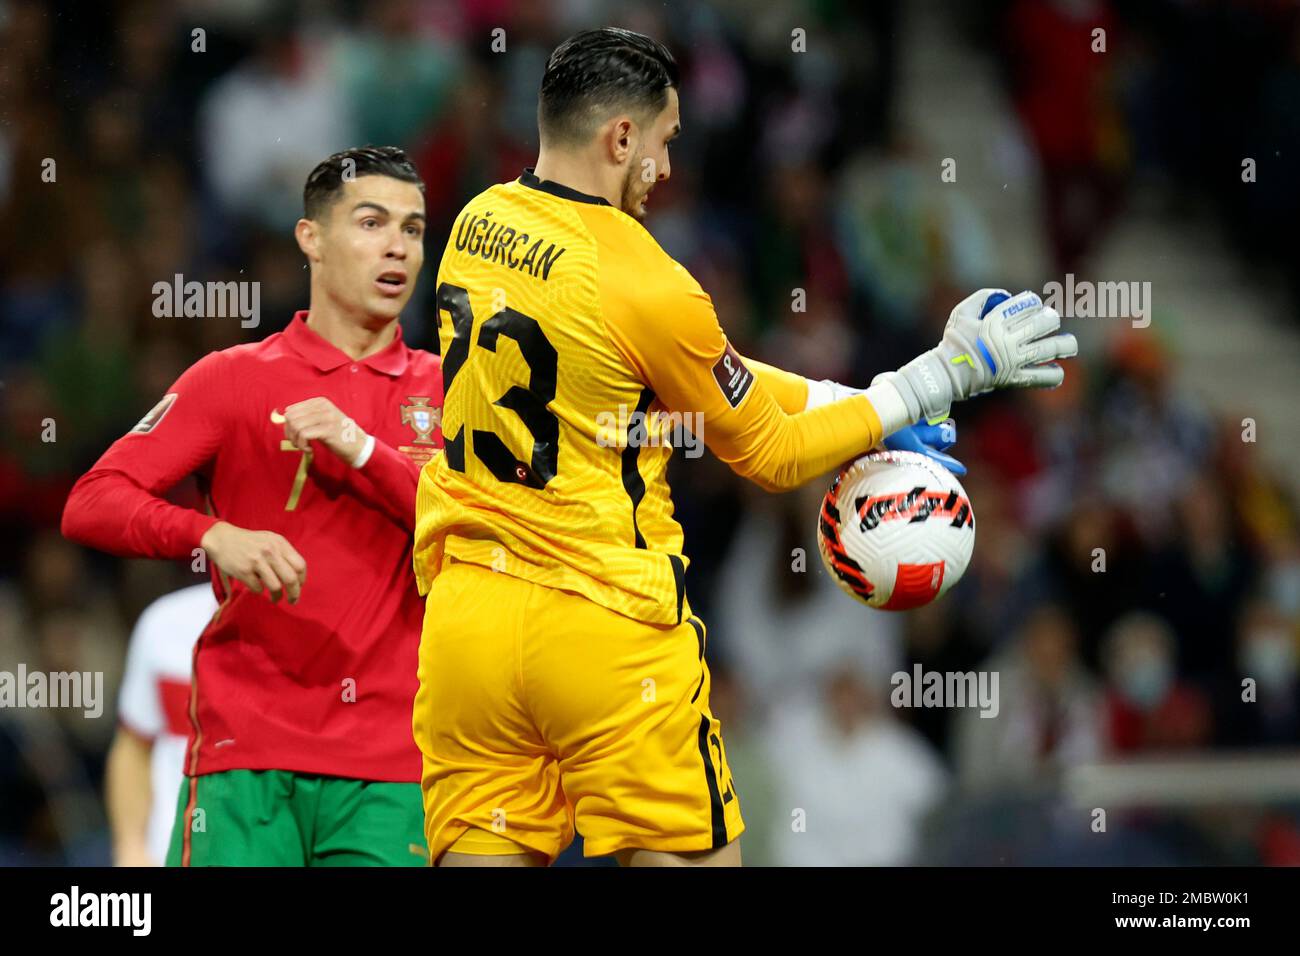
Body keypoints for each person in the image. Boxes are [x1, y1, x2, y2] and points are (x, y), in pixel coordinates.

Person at [412, 28, 1075, 867]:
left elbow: (693, 371)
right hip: (601, 624)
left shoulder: (478, 223)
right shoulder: (648, 279)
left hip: (467, 620)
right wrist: (937, 379)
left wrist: (859, 399)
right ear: (621, 137)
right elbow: (769, 454)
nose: (666, 167)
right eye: (664, 141)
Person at [63, 146, 442, 866]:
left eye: (414, 229)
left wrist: (363, 450)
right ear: (312, 239)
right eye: (372, 222)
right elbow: (92, 502)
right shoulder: (233, 380)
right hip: (245, 759)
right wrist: (213, 536)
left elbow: (480, 535)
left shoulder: (450, 390)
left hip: (393, 769)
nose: (398, 246)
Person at [106, 584, 217, 866]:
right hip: (166, 853)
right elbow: (133, 746)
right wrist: (130, 848)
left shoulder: (319, 629)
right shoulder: (164, 622)